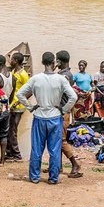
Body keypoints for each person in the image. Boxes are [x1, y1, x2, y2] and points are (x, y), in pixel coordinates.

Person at [16, 52, 78, 185]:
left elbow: (20, 94)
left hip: (39, 116)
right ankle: (53, 177)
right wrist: (64, 109)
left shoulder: (36, 78)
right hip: (55, 117)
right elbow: (73, 97)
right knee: (54, 149)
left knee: (37, 149)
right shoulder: (61, 79)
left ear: (42, 63)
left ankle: (34, 177)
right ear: (54, 63)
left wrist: (30, 107)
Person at [55, 50, 83, 178]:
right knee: (58, 139)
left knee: (61, 140)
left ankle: (75, 164)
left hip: (62, 111)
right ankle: (58, 166)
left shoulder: (64, 76)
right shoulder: (66, 74)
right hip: (63, 110)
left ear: (60, 61)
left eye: (57, 60)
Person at [5, 52, 30, 161]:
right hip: (11, 104)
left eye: (11, 59)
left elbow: (30, 91)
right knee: (9, 129)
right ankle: (9, 153)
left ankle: (17, 155)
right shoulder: (14, 71)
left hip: (18, 106)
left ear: (15, 61)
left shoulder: (23, 74)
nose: (10, 61)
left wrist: (19, 101)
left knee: (13, 130)